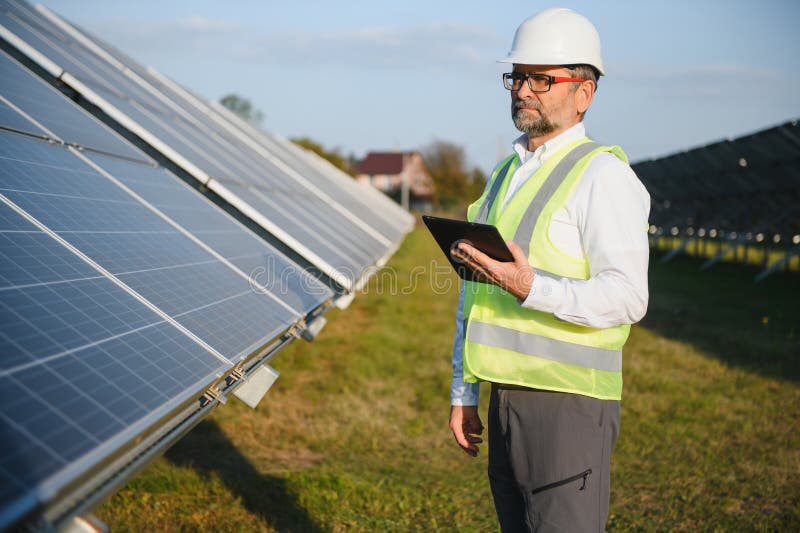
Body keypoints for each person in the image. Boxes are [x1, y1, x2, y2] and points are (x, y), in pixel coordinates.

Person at [447, 7, 650, 532]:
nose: (523, 91)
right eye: (518, 76)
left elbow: (628, 297)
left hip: (569, 405)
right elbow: (475, 293)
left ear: (584, 94)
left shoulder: (603, 175)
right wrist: (464, 392)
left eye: (543, 79)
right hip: (502, 396)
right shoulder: (502, 176)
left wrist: (532, 287)